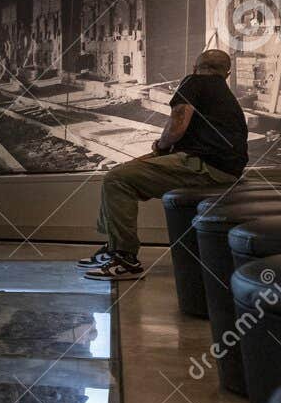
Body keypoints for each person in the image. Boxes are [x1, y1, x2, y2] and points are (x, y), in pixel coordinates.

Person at [83, 48, 248, 281]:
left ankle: (124, 258)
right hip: (222, 168)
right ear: (227, 74)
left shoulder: (194, 81)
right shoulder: (225, 94)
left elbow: (177, 125)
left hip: (204, 167)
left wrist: (160, 147)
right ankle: (113, 247)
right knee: (122, 172)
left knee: (116, 179)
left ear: (195, 68)